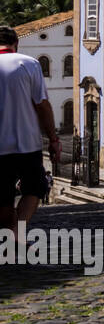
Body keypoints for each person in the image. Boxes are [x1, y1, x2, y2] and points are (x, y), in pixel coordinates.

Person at [0, 25, 60, 235]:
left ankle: (9, 230)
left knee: (3, 199)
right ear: (16, 43)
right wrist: (53, 138)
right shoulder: (29, 64)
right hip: (27, 143)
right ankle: (17, 230)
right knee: (34, 188)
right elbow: (42, 105)